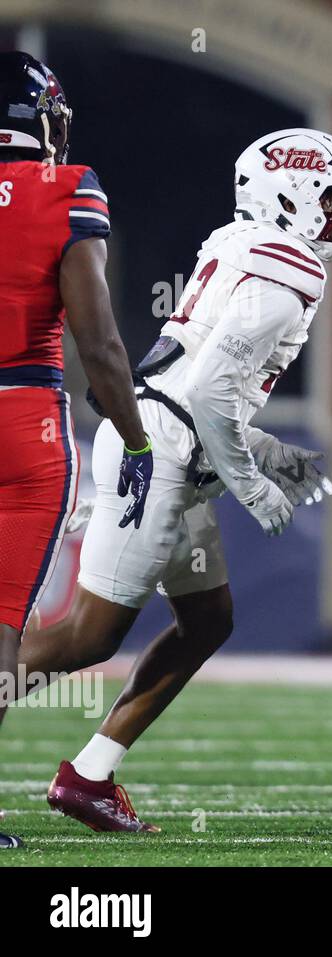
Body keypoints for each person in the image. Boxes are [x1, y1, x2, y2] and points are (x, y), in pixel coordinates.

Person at [20, 128, 332, 833]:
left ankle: (88, 774)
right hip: (160, 454)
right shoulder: (285, 271)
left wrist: (270, 454)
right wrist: (253, 483)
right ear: (291, 193)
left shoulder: (248, 250)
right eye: (330, 196)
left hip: (172, 446)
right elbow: (208, 395)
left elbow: (205, 388)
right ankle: (78, 770)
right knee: (84, 638)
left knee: (208, 620)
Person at [0, 52, 152, 848]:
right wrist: (133, 435)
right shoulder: (67, 188)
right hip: (21, 418)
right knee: (0, 627)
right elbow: (99, 341)